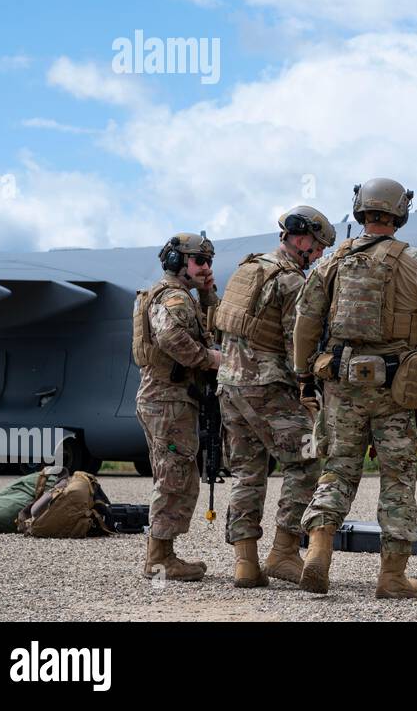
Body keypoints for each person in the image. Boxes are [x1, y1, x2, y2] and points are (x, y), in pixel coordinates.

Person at [295, 179, 417, 599]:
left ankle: (318, 552)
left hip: (342, 383)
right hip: (397, 387)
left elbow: (306, 323)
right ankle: (392, 577)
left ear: (360, 211)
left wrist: (302, 375)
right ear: (399, 212)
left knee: (338, 469)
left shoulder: (332, 261)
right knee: (398, 477)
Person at [215, 206, 335, 587]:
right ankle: (283, 552)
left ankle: (245, 565)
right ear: (301, 239)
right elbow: (294, 344)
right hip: (266, 386)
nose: (318, 256)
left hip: (229, 386)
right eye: (317, 248)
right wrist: (312, 383)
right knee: (306, 460)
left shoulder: (246, 269)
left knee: (247, 473)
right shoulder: (291, 282)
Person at [132, 232, 222, 581]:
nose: (205, 267)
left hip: (169, 398)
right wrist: (208, 359)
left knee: (175, 473)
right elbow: (170, 336)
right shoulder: (172, 297)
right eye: (199, 261)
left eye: (209, 262)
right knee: (173, 477)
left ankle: (164, 555)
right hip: (167, 399)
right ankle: (158, 560)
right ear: (176, 262)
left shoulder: (182, 295)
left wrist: (206, 289)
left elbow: (212, 322)